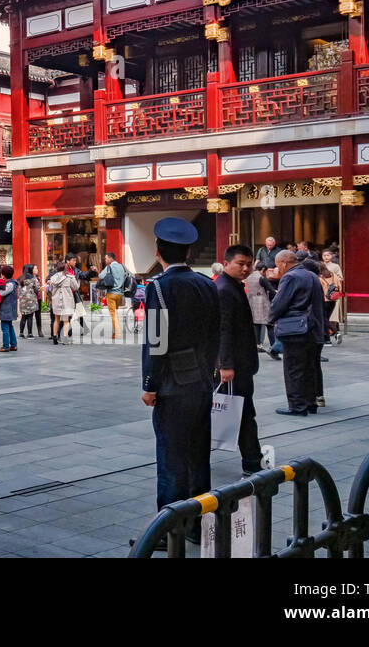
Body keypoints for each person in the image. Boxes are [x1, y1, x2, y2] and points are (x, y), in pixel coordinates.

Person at [140, 218, 221, 545]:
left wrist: (150, 383)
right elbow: (216, 334)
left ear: (158, 252)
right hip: (201, 382)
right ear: (188, 251)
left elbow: (156, 342)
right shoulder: (207, 284)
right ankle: (197, 526)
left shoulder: (158, 287)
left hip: (173, 384)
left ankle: (168, 531)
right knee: (198, 455)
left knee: (171, 457)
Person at [215, 244, 263, 477]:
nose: (245, 268)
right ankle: (252, 462)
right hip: (233, 367)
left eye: (248, 264)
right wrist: (225, 365)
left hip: (241, 364)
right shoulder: (224, 289)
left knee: (243, 413)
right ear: (226, 263)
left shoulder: (232, 286)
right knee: (243, 414)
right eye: (240, 263)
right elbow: (222, 329)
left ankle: (253, 460)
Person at [269, 250, 325, 415]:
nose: (277, 268)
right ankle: (310, 402)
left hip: (295, 329)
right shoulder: (312, 276)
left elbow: (280, 303)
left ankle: (297, 406)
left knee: (293, 368)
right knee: (309, 367)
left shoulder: (290, 277)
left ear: (284, 262)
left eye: (278, 265)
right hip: (313, 328)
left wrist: (271, 317)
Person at [98, 251, 128, 341]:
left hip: (111, 293)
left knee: (113, 314)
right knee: (115, 313)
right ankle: (115, 333)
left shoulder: (109, 267)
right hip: (120, 294)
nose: (105, 260)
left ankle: (117, 333)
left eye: (106, 258)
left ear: (111, 258)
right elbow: (131, 275)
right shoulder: (122, 266)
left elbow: (101, 276)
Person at [48, 257, 77, 345]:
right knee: (66, 320)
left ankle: (54, 337)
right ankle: (64, 338)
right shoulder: (69, 277)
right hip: (67, 301)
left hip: (56, 301)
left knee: (56, 320)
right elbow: (76, 287)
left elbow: (51, 290)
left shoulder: (53, 278)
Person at [0, 264, 18, 351]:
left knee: (5, 328)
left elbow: (2, 293)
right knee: (9, 326)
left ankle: (6, 346)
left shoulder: (10, 284)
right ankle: (13, 344)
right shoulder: (11, 283)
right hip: (9, 309)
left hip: (7, 309)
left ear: (3, 275)